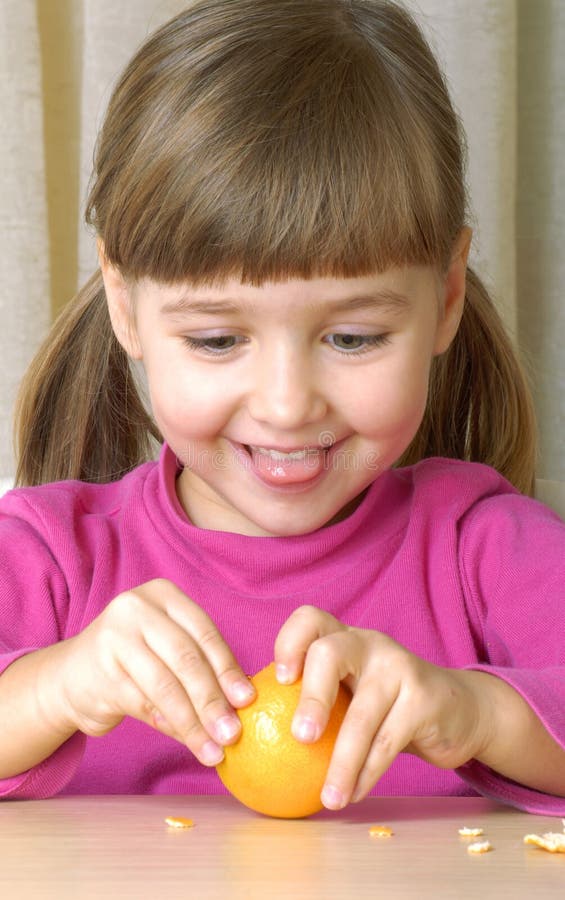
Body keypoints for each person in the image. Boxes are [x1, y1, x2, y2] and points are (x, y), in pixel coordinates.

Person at [1, 0, 564, 814]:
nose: (287, 405)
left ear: (444, 297)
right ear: (126, 307)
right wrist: (53, 689)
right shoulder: (50, 559)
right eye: (218, 342)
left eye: (353, 338)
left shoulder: (486, 549)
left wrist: (474, 713)